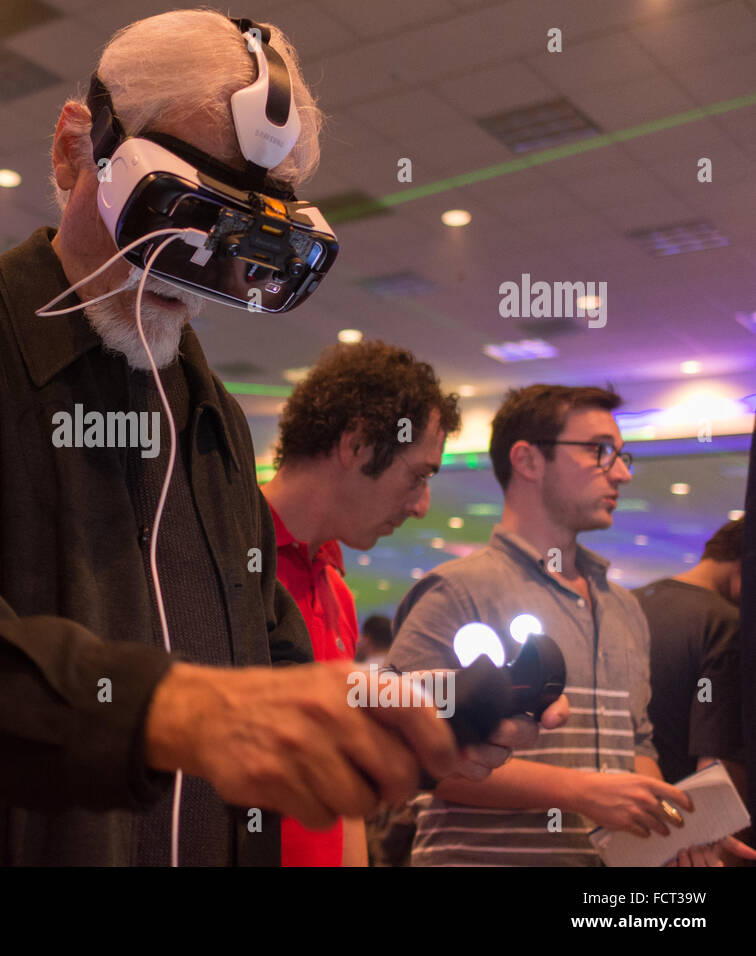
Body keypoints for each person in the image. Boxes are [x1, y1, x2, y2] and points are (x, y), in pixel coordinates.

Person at [0, 9, 534, 867]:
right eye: (175, 218)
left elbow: (272, 659)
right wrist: (167, 711)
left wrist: (414, 716)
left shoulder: (212, 422)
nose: (201, 275)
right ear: (75, 149)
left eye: (243, 243)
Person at [389, 384, 756, 866]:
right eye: (600, 451)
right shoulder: (456, 590)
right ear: (528, 460)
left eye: (623, 456)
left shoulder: (622, 606)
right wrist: (581, 792)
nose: (621, 473)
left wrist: (671, 823)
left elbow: (637, 745)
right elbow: (412, 750)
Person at [263, 341, 566, 866]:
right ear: (356, 446)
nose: (423, 505)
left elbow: (344, 800)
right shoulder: (224, 562)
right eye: (418, 476)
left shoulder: (333, 582)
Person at [634, 517, 747, 802]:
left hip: (615, 810)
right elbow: (716, 761)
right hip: (682, 823)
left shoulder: (629, 604)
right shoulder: (727, 625)